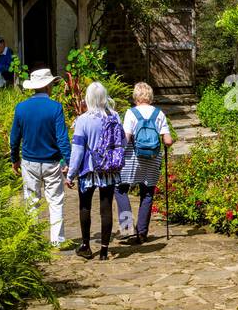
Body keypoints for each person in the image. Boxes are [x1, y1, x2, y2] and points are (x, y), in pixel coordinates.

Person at [9, 68, 70, 247]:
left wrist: (14, 159)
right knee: (55, 201)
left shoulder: (21, 108)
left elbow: (14, 138)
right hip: (52, 161)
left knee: (31, 201)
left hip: (29, 161)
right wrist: (68, 161)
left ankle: (33, 240)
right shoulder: (55, 108)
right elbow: (62, 139)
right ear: (48, 86)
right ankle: (57, 241)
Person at [66, 81, 125, 260]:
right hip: (109, 169)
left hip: (89, 169)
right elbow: (122, 142)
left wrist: (71, 174)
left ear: (88, 98)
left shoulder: (83, 120)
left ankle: (86, 246)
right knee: (106, 208)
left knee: (85, 206)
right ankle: (105, 251)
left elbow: (77, 150)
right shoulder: (115, 116)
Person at [114, 82, 172, 243]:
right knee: (147, 193)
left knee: (120, 189)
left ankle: (127, 229)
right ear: (150, 97)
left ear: (136, 97)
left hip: (133, 158)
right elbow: (168, 140)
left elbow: (125, 138)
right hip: (153, 159)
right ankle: (142, 233)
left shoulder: (131, 113)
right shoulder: (159, 114)